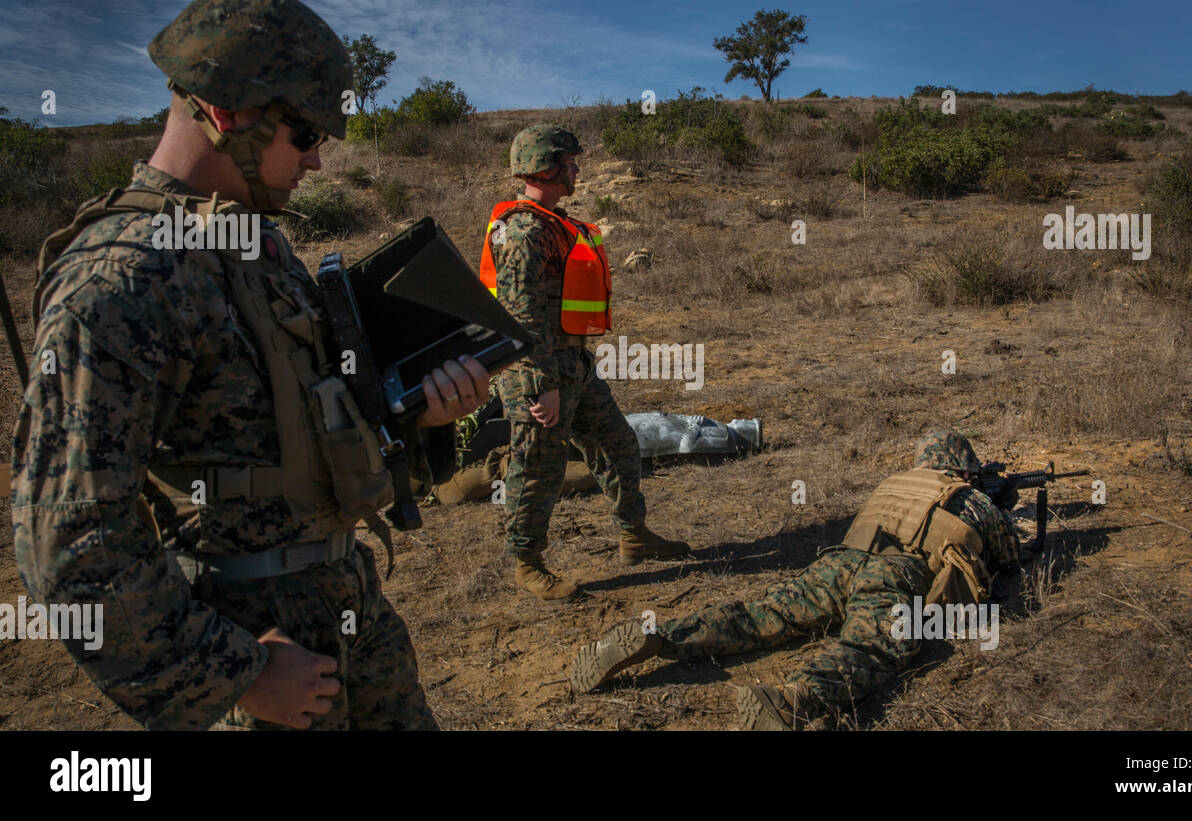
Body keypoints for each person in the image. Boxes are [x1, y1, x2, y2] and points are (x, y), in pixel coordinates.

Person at [10, 0, 489, 730]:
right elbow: (72, 544)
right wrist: (235, 672)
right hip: (258, 652)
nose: (317, 158)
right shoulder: (120, 277)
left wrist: (422, 414)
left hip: (347, 615)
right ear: (227, 110)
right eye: (304, 133)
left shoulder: (254, 247)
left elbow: (313, 427)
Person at [568, 431, 1021, 730]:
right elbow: (1007, 555)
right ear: (963, 468)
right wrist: (1001, 509)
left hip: (840, 561)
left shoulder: (893, 483)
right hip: (896, 573)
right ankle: (793, 697)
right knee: (873, 647)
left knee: (765, 614)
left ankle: (658, 636)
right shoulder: (967, 497)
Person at [478, 124, 689, 601]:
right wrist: (542, 385)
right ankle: (527, 563)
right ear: (548, 166)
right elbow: (521, 314)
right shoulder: (523, 231)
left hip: (572, 363)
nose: (577, 168)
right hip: (538, 372)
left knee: (617, 443)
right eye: (570, 161)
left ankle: (635, 535)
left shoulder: (552, 221)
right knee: (538, 466)